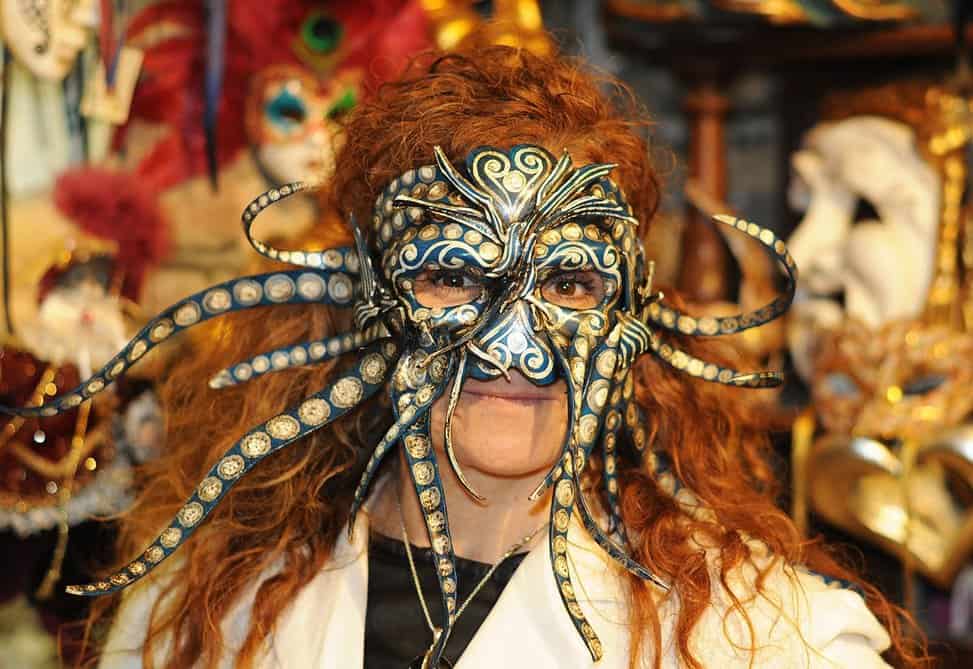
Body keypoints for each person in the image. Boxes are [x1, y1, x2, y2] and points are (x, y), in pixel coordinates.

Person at [11, 46, 925, 668]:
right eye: (453, 274)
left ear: (629, 313)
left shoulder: (765, 637)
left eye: (568, 282)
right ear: (367, 295)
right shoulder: (208, 620)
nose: (513, 344)